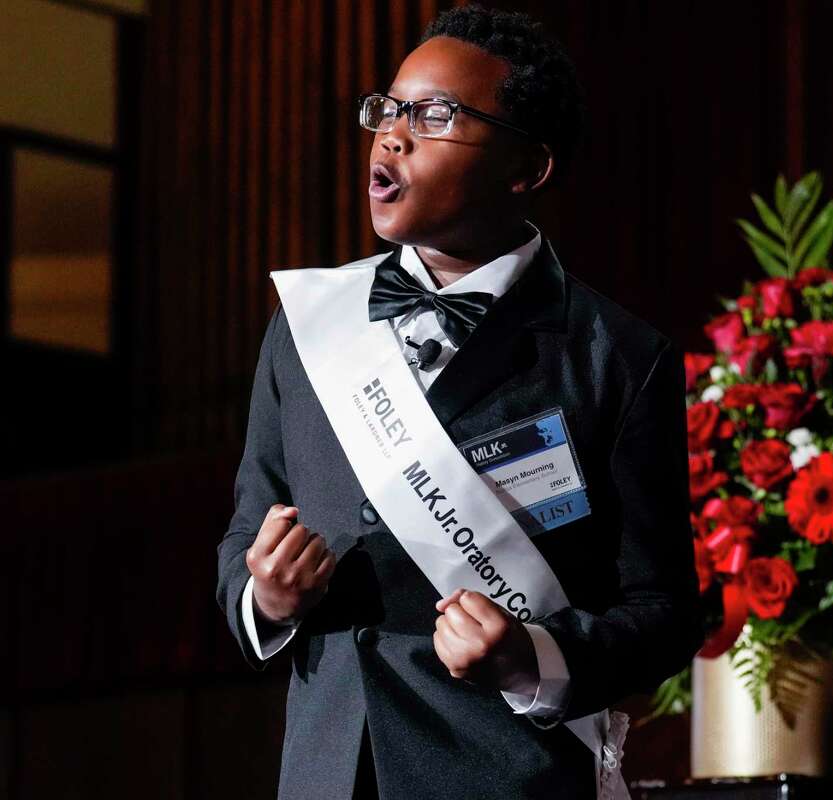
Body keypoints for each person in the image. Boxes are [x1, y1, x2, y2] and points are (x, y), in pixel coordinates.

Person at [215, 6, 702, 799]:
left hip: (504, 773)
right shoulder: (306, 330)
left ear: (527, 168)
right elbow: (244, 535)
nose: (393, 135)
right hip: (325, 769)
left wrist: (529, 659)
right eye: (389, 108)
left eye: (435, 115)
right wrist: (263, 596)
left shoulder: (616, 356)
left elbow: (662, 612)